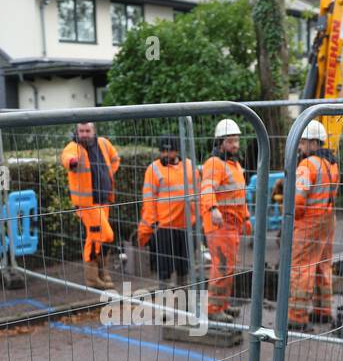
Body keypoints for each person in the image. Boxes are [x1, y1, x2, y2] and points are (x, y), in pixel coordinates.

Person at [287, 120, 339, 331]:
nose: (299, 146)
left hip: (309, 221)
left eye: (302, 141)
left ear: (312, 142)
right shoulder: (332, 163)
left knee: (301, 267)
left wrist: (290, 217)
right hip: (328, 220)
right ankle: (323, 310)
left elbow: (298, 198)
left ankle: (296, 316)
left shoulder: (307, 165)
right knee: (323, 264)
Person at [198, 118, 251, 319]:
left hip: (232, 225)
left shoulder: (234, 165)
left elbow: (239, 194)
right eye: (230, 141)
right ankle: (213, 310)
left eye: (236, 140)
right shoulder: (214, 163)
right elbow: (207, 188)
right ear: (220, 142)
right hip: (219, 224)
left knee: (228, 266)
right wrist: (213, 208)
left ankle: (222, 305)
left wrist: (245, 218)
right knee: (221, 266)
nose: (235, 145)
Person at [60, 121, 121, 289]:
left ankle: (100, 274)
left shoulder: (103, 143)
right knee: (105, 235)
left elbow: (115, 159)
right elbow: (66, 158)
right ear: (77, 132)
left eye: (87, 130)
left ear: (94, 131)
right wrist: (73, 162)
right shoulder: (73, 147)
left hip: (104, 200)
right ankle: (93, 277)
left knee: (96, 237)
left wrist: (107, 175)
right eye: (81, 131)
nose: (84, 134)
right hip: (87, 204)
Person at [136, 135, 197, 287]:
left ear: (176, 151)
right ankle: (165, 305)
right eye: (162, 151)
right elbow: (149, 200)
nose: (165, 155)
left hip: (187, 226)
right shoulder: (154, 169)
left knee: (184, 269)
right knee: (164, 271)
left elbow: (198, 193)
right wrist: (152, 224)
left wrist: (198, 218)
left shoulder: (189, 166)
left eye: (169, 151)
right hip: (163, 227)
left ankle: (184, 304)